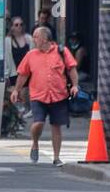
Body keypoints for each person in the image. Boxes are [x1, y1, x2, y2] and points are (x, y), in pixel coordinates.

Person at [11, 26, 80, 167]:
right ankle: (35, 143)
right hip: (38, 95)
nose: (33, 39)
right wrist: (16, 90)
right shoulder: (31, 55)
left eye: (36, 37)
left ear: (44, 38)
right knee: (38, 123)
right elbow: (23, 75)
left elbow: (71, 69)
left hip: (59, 95)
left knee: (56, 127)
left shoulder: (62, 51)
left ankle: (56, 158)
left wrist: (75, 85)